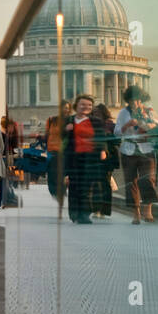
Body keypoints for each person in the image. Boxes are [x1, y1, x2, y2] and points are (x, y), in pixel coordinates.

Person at [115, 85, 158, 223]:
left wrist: (143, 124)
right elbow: (116, 132)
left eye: (137, 100)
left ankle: (148, 211)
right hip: (129, 150)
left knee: (148, 179)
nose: (135, 103)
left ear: (141, 99)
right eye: (132, 100)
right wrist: (127, 125)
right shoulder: (123, 113)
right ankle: (136, 213)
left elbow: (156, 126)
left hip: (146, 149)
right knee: (131, 182)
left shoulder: (149, 111)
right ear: (127, 101)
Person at [62, 94, 107, 223]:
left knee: (87, 186)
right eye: (83, 104)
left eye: (89, 105)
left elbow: (101, 137)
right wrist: (66, 130)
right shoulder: (68, 121)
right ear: (76, 105)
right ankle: (74, 213)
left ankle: (84, 214)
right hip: (73, 157)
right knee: (74, 185)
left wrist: (103, 150)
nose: (86, 107)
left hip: (90, 158)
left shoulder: (96, 121)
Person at [91, 103, 117, 217]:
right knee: (95, 183)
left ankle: (104, 210)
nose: (96, 115)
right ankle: (96, 209)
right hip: (94, 156)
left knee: (105, 183)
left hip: (108, 157)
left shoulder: (110, 125)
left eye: (98, 113)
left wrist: (107, 137)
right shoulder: (91, 124)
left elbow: (117, 140)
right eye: (94, 113)